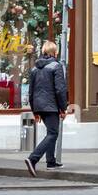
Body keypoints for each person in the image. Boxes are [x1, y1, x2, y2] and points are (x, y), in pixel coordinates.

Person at [24, 41, 67, 176]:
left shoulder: (35, 69)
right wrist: (63, 108)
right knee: (53, 133)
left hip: (39, 105)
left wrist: (35, 111)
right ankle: (33, 159)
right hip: (51, 105)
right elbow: (60, 90)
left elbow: (31, 92)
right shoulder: (56, 66)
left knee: (51, 132)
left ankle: (51, 162)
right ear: (55, 52)